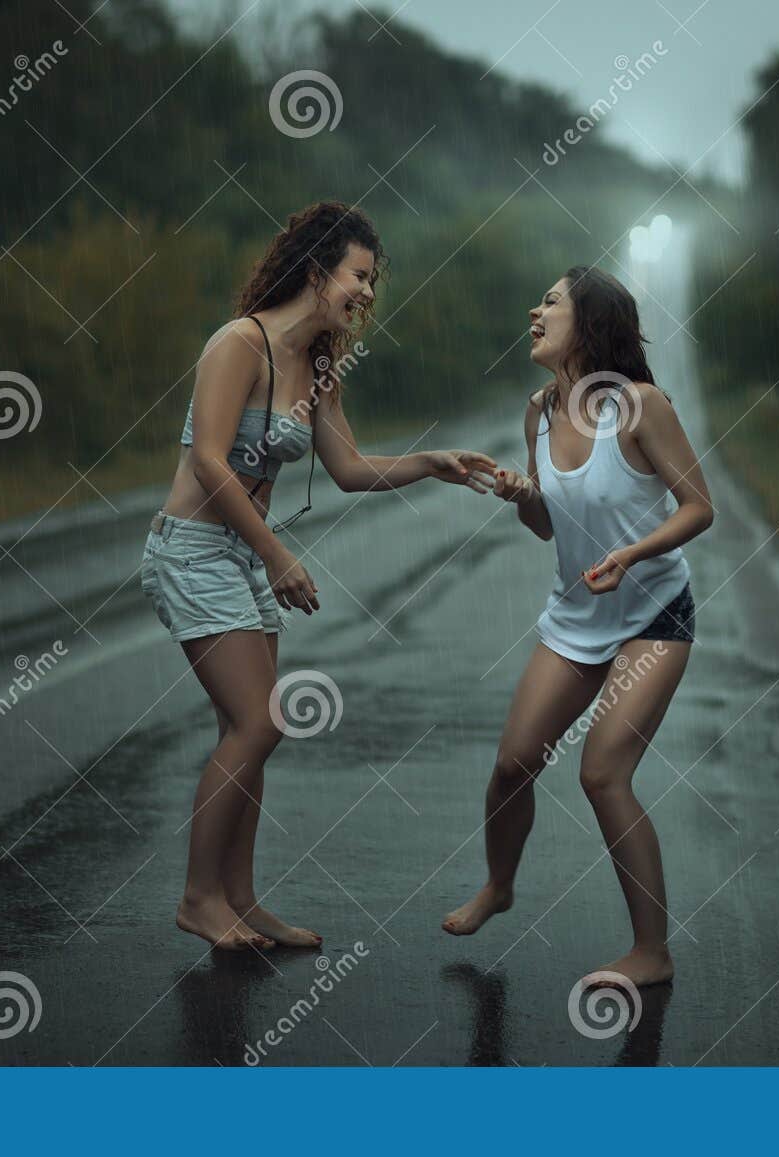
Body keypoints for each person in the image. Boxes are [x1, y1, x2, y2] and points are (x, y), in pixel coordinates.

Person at [143, 201, 497, 952]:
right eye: (359, 275)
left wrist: (434, 464)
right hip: (193, 550)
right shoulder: (240, 343)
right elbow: (210, 461)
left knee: (251, 730)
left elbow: (348, 468)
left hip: (241, 554)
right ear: (317, 268)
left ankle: (240, 899)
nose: (368, 293)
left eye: (373, 281)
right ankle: (199, 898)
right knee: (259, 723)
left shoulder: (320, 363)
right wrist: (277, 555)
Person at [442, 266, 713, 989]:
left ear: (589, 322)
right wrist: (521, 495)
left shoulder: (639, 405)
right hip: (577, 613)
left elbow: (698, 507)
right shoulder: (537, 411)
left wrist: (632, 552)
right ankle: (499, 886)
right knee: (511, 765)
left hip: (653, 614)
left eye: (552, 301)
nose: (535, 309)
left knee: (602, 771)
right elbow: (544, 526)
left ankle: (651, 950)